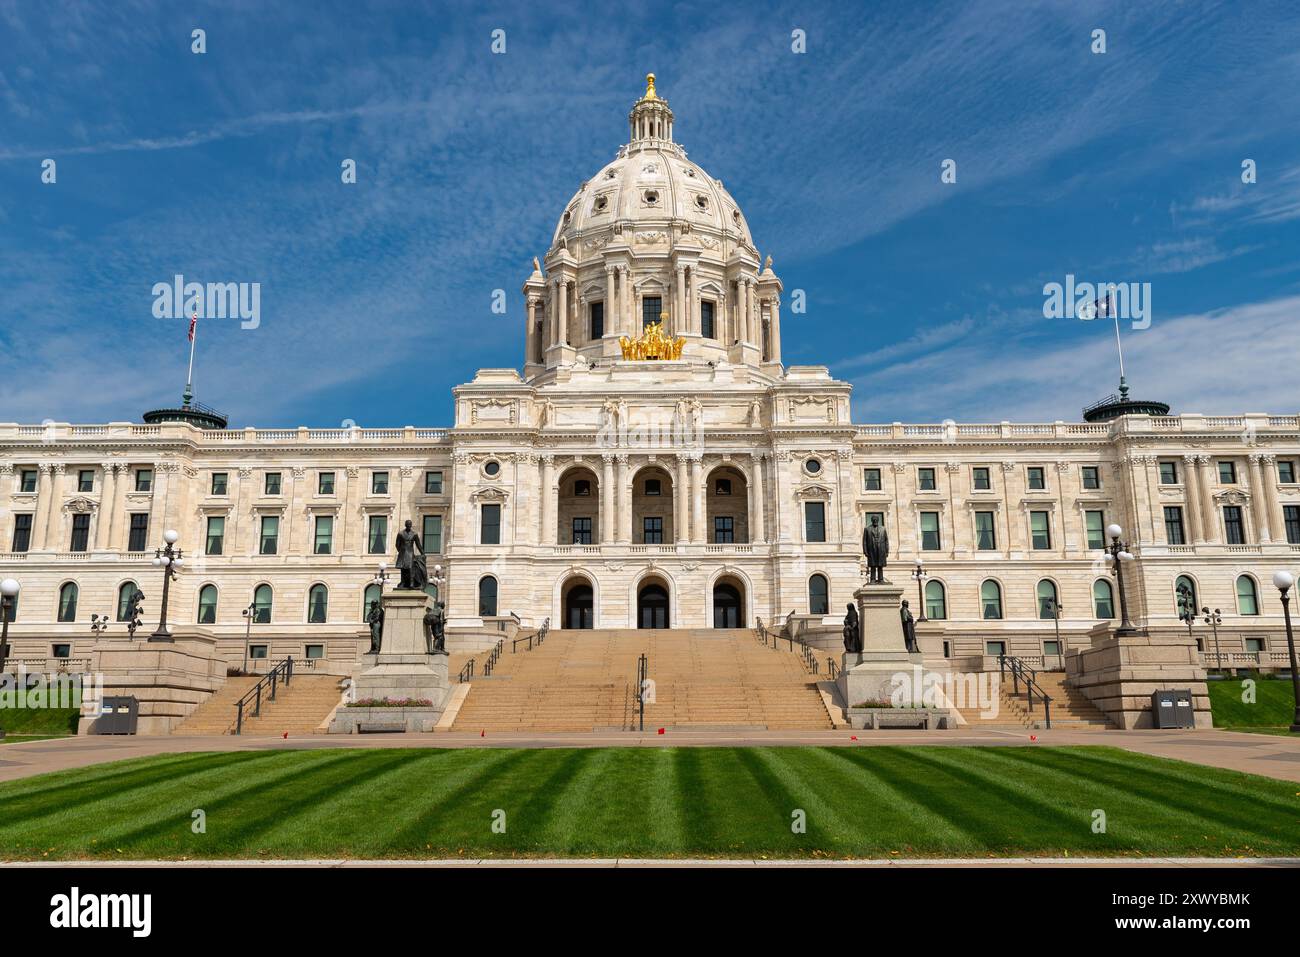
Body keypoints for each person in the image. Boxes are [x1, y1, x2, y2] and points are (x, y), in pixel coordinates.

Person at [394, 519, 427, 590]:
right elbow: (397, 544)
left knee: (410, 568)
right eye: (407, 524)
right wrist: (401, 551)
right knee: (403, 568)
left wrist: (423, 553)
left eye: (410, 524)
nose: (409, 526)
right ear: (405, 525)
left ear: (411, 525)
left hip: (410, 552)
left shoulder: (414, 534)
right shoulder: (400, 533)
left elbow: (418, 545)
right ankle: (402, 582)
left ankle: (411, 583)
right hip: (403, 552)